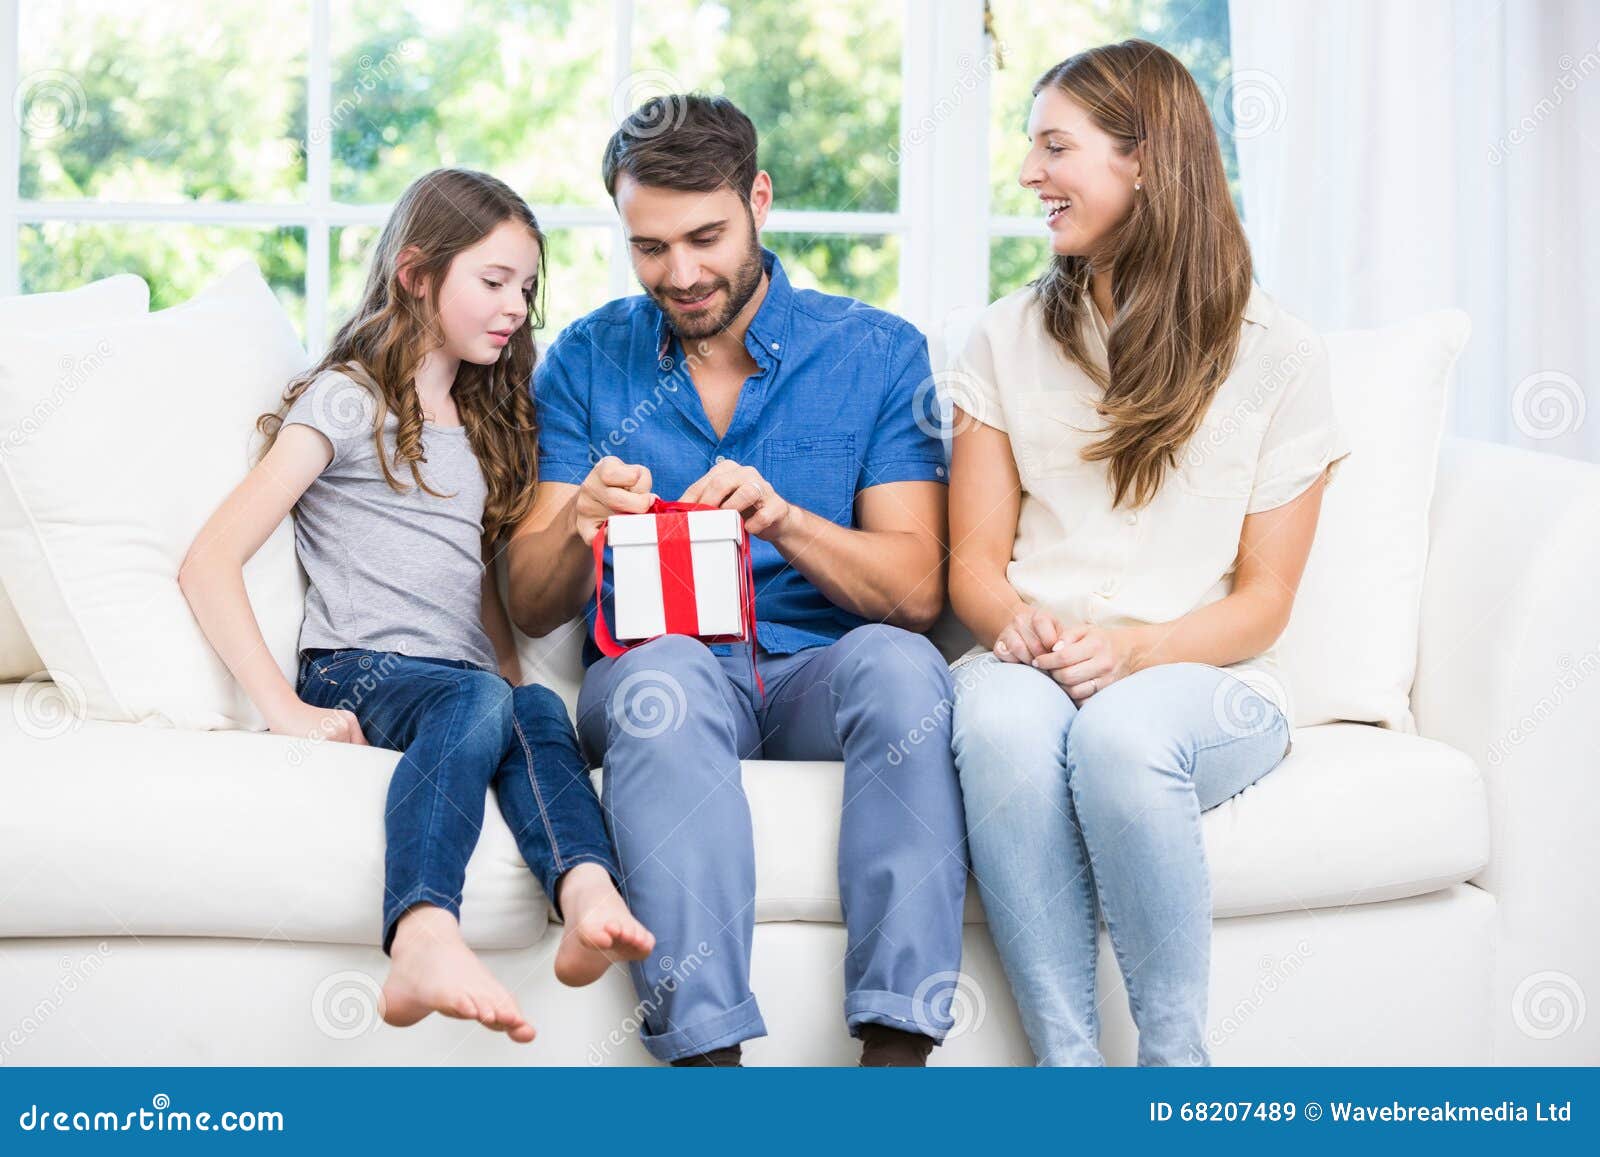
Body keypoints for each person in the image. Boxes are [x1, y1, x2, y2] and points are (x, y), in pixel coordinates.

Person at [507, 96, 968, 1067]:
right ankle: (709, 1075)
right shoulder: (588, 357)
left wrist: (787, 518)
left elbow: (919, 590)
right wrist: (577, 519)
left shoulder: (877, 351)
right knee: (662, 682)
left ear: (758, 198)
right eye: (649, 247)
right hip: (663, 664)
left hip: (817, 667)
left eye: (706, 236)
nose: (681, 273)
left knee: (900, 667)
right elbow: (529, 598)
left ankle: (894, 1060)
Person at [179, 168, 652, 1045]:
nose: (516, 305)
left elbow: (475, 584)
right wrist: (285, 708)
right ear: (415, 274)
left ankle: (587, 889)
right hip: (358, 669)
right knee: (476, 698)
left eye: (527, 287)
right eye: (494, 280)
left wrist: (510, 683)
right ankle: (423, 931)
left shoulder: (481, 418)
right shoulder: (346, 399)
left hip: (456, 681)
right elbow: (209, 560)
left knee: (533, 704)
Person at [947, 41, 1350, 1066]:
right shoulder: (1001, 338)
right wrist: (1018, 624)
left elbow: (1264, 600)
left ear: (1145, 159)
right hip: (1035, 662)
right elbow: (973, 569)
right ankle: (1069, 1072)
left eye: (1055, 147)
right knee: (994, 718)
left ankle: (1178, 1072)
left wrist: (1133, 652)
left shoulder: (1280, 354)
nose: (1030, 174)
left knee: (1120, 737)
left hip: (1200, 675)